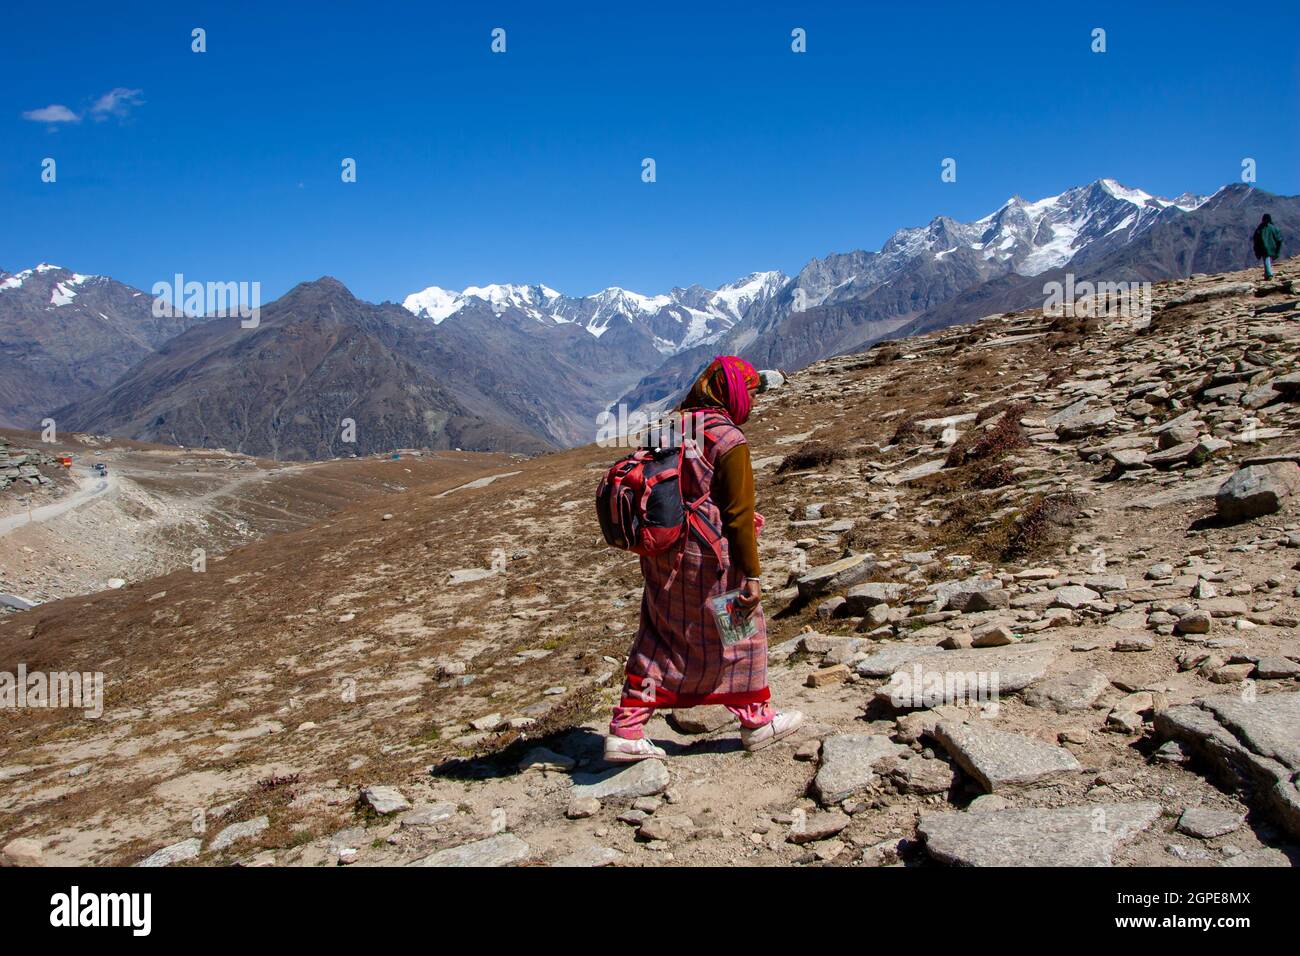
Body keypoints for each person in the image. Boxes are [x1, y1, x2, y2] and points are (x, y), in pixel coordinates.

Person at [605, 355, 803, 762]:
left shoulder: (671, 425)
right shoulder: (729, 441)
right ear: (730, 394)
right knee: (741, 633)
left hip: (665, 553)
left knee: (660, 635)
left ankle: (626, 728)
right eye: (748, 392)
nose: (752, 399)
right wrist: (752, 575)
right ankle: (756, 719)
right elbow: (738, 516)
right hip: (712, 557)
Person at [1252, 214, 1283, 279]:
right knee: (1268, 259)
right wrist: (1277, 249)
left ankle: (1268, 274)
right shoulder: (1273, 228)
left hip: (1263, 247)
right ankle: (1267, 273)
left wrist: (1256, 250)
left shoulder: (1260, 228)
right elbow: (1279, 239)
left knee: (1266, 259)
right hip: (1272, 247)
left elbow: (1256, 239)